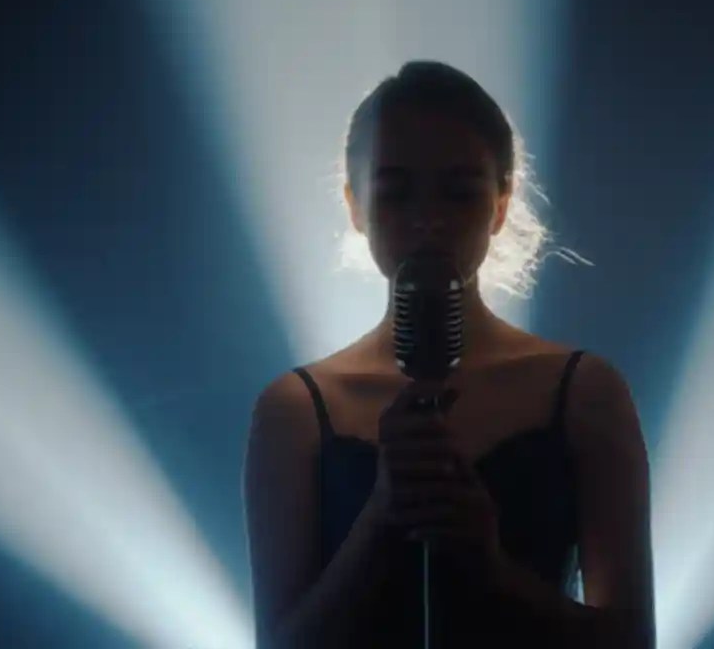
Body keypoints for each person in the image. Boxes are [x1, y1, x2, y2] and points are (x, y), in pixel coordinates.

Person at [243, 61, 654, 648]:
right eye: (395, 190)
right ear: (354, 205)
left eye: (459, 192)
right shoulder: (295, 410)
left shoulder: (586, 391)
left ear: (501, 203)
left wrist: (489, 566)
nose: (428, 220)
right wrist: (381, 518)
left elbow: (632, 639)